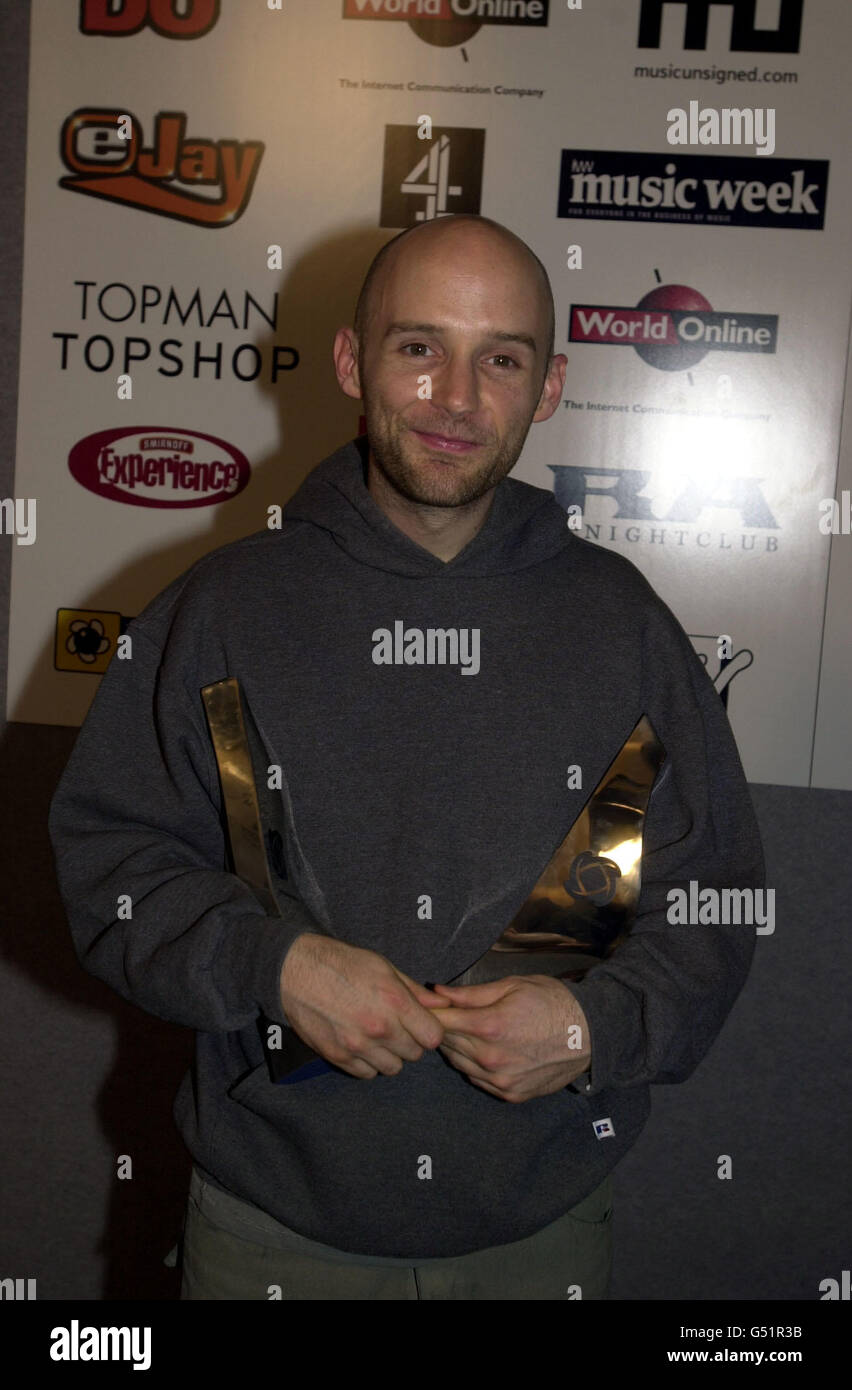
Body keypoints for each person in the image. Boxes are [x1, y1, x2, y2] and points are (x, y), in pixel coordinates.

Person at [48, 213, 764, 1301]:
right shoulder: (223, 611)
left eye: (502, 358)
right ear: (350, 359)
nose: (457, 397)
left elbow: (710, 896)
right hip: (268, 1235)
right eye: (418, 347)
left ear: (552, 385)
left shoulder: (624, 630)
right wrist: (274, 966)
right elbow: (112, 864)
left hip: (541, 1239)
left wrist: (590, 1021)